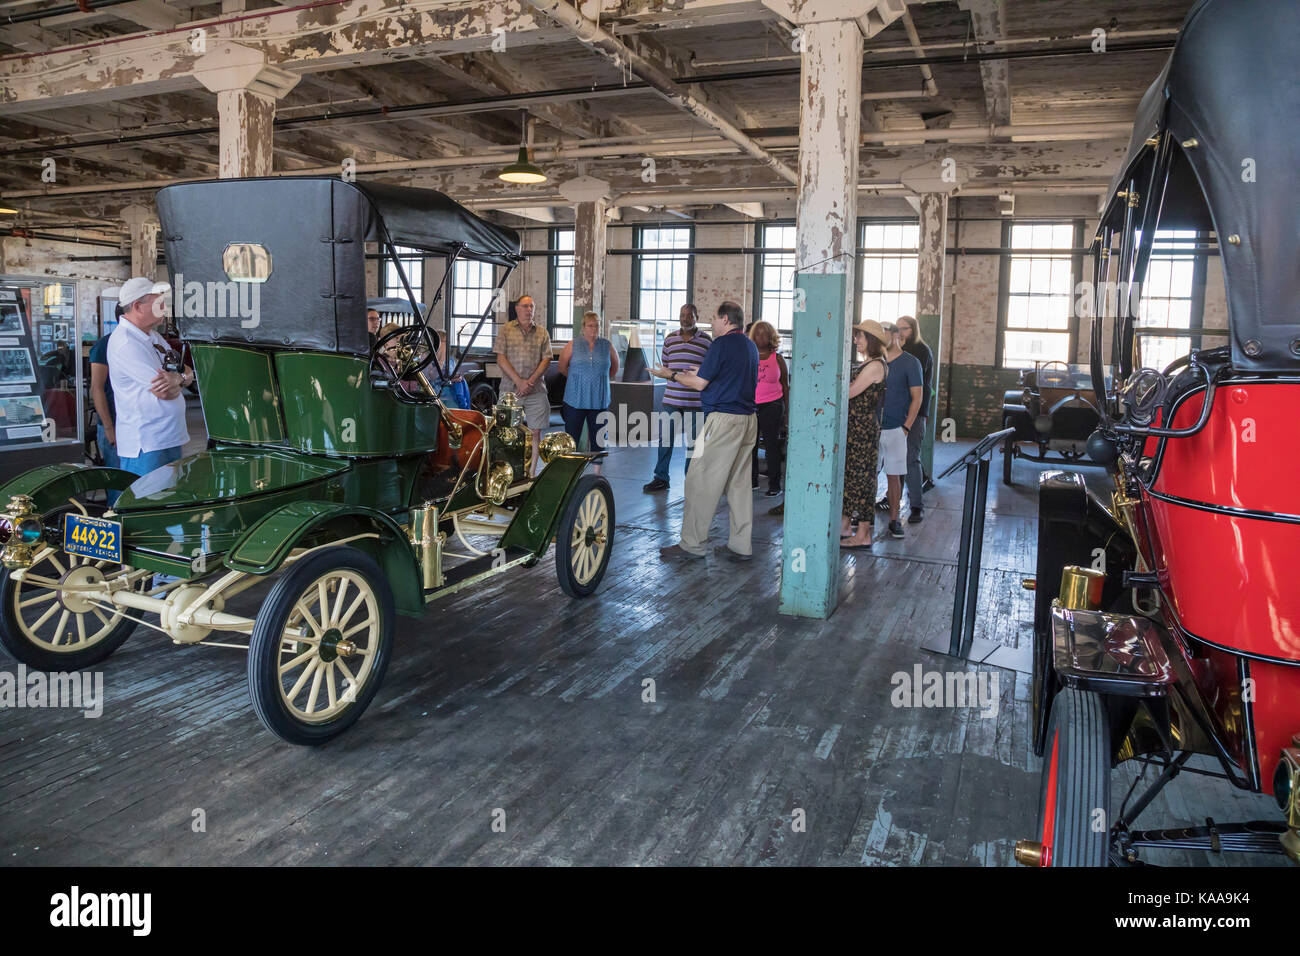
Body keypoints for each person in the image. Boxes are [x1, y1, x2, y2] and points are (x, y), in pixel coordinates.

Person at [652, 301, 758, 563]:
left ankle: (691, 544)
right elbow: (728, 376)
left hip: (723, 421)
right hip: (748, 420)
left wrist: (672, 374)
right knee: (739, 486)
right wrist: (699, 372)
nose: (711, 322)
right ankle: (740, 545)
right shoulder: (749, 345)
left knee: (699, 480)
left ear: (725, 319)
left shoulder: (720, 344)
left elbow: (699, 384)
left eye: (714, 317)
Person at [108, 276, 193, 476]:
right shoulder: (126, 344)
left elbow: (186, 371)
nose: (164, 308)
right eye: (159, 304)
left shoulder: (153, 337)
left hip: (168, 437)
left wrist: (179, 377)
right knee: (149, 501)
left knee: (171, 500)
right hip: (147, 444)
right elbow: (165, 392)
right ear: (137, 306)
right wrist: (182, 378)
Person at [643, 304, 711, 493]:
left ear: (697, 317)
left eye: (689, 315)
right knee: (665, 440)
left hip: (696, 402)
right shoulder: (670, 339)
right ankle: (661, 478)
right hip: (671, 400)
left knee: (694, 444)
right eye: (682, 315)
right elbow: (666, 368)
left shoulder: (706, 341)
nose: (685, 318)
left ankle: (692, 479)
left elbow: (710, 370)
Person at [840, 321, 890, 549]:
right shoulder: (869, 363)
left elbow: (849, 392)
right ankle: (844, 526)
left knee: (863, 479)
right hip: (856, 428)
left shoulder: (875, 366)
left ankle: (862, 534)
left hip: (863, 429)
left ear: (871, 340)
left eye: (860, 336)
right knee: (852, 476)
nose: (856, 340)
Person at [493, 294, 552, 476]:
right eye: (525, 306)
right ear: (516, 308)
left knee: (535, 433)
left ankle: (531, 474)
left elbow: (546, 359)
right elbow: (500, 358)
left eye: (531, 307)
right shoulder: (505, 330)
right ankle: (507, 474)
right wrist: (519, 382)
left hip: (536, 390)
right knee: (507, 434)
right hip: (511, 390)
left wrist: (530, 381)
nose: (529, 310)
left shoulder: (542, 332)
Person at [878, 320, 923, 540]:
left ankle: (894, 520)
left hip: (896, 427)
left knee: (894, 476)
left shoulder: (910, 363)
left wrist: (906, 427)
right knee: (867, 474)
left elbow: (917, 397)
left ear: (896, 335)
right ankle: (862, 515)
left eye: (884, 332)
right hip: (873, 427)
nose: (881, 337)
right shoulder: (876, 363)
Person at [558, 311, 618, 475]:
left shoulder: (607, 345)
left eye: (597, 325)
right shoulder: (573, 344)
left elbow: (614, 368)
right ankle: (570, 473)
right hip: (575, 399)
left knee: (598, 437)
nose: (594, 329)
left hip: (599, 399)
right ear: (583, 327)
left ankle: (596, 474)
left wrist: (599, 380)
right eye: (591, 325)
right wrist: (577, 380)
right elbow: (562, 367)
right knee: (572, 437)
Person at [896, 315, 934, 522]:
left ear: (914, 330)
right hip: (897, 412)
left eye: (905, 329)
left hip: (916, 412)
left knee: (911, 458)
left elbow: (911, 383)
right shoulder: (899, 350)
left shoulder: (921, 351)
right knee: (895, 458)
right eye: (898, 328)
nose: (900, 332)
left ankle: (917, 506)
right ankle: (891, 499)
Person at [748, 321, 788, 497]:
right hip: (751, 405)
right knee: (751, 446)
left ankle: (774, 485)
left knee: (772, 446)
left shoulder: (777, 358)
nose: (760, 337)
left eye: (764, 334)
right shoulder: (749, 356)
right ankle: (752, 481)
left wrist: (786, 412)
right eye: (757, 334)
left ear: (771, 336)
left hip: (773, 405)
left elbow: (785, 386)